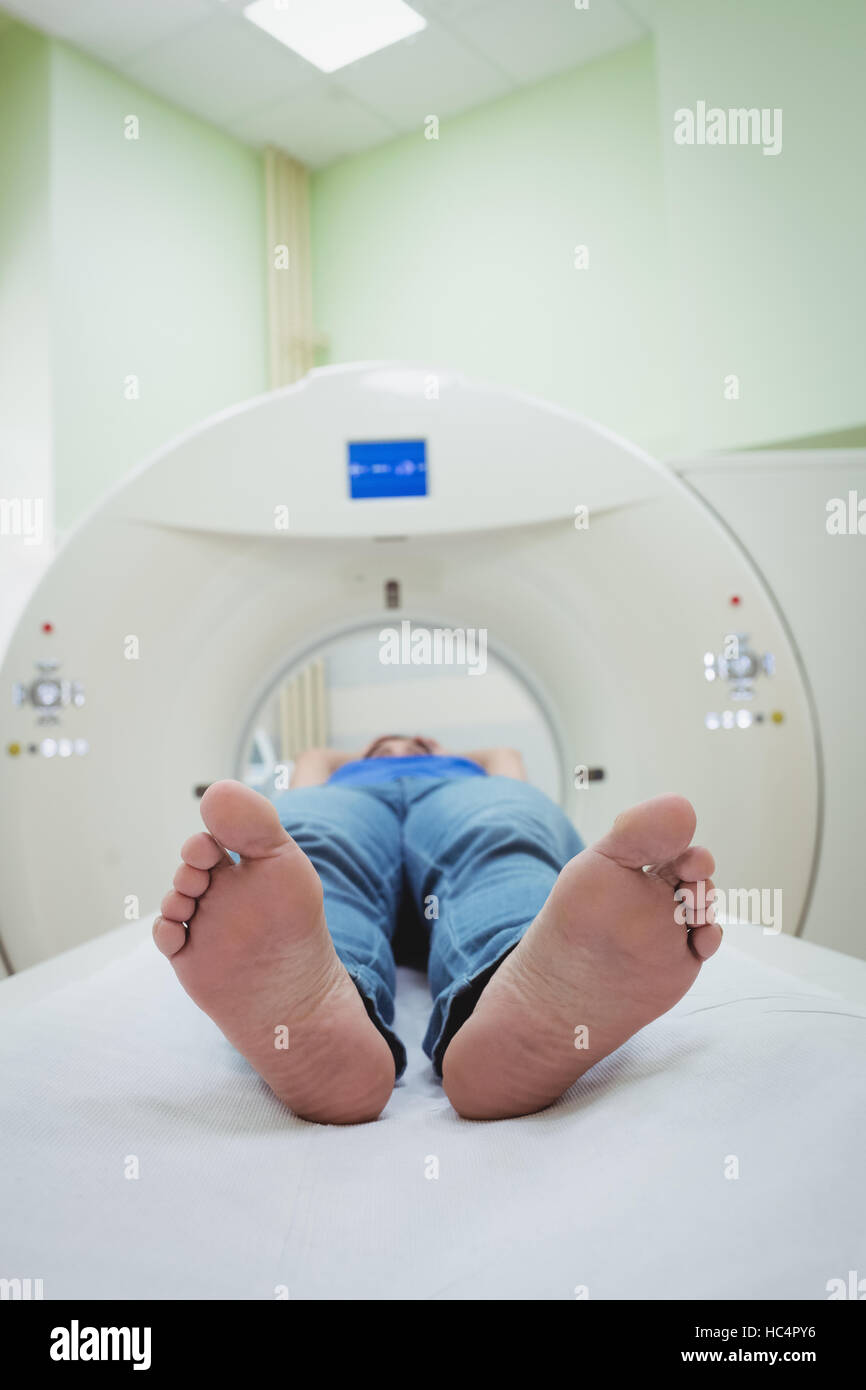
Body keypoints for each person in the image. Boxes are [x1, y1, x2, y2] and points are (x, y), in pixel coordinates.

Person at [153, 734, 721, 1124]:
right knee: (311, 848)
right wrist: (388, 752)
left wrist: (427, 752)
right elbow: (314, 759)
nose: (401, 750)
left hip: (456, 797)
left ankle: (529, 982)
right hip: (352, 801)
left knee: (498, 833)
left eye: (416, 744)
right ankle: (312, 996)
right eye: (385, 746)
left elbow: (504, 754)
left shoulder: (470, 768)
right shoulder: (339, 773)